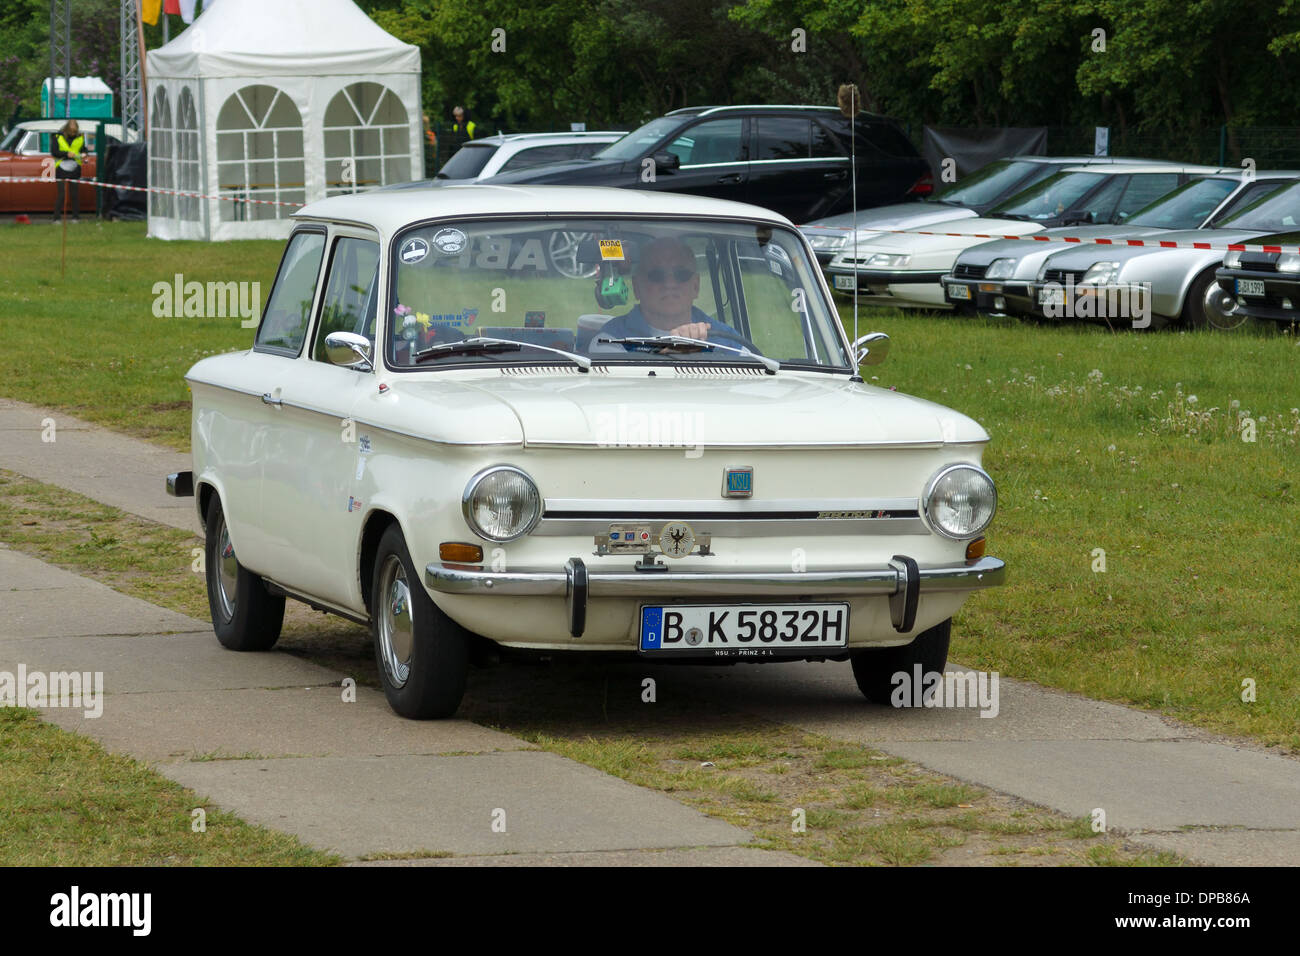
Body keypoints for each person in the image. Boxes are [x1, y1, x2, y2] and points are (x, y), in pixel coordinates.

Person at [591, 237, 755, 351]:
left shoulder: (728, 340)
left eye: (681, 275)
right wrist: (681, 350)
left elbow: (755, 384)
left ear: (696, 286)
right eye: (656, 275)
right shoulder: (610, 339)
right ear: (637, 287)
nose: (670, 284)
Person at [51, 118, 85, 222]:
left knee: (74, 194)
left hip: (75, 168)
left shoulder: (80, 137)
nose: (73, 133)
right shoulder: (58, 137)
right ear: (67, 129)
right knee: (61, 194)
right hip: (61, 167)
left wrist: (84, 153)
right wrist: (66, 154)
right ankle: (56, 218)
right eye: (71, 131)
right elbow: (54, 152)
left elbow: (83, 149)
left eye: (75, 131)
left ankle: (75, 217)